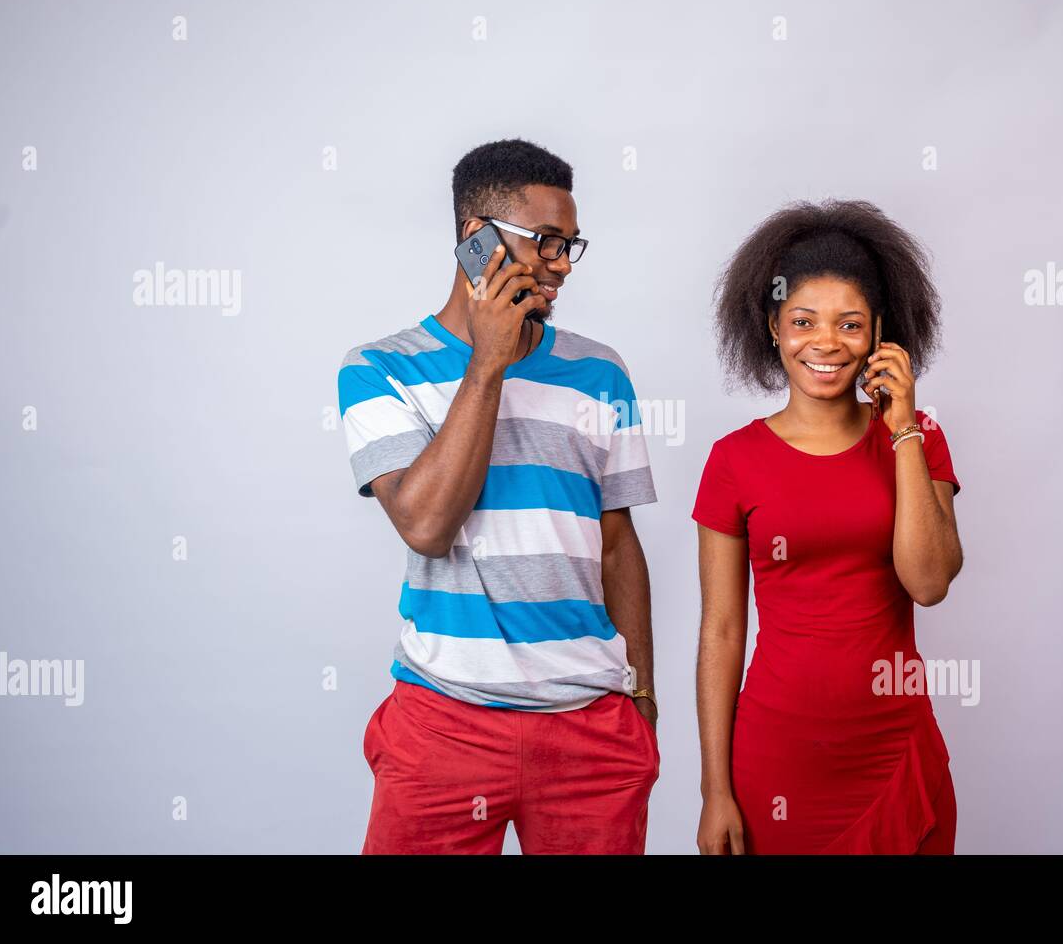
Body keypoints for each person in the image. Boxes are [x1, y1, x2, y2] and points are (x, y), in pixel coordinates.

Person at [338, 138, 659, 854]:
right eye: (544, 241)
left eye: (569, 245)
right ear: (473, 239)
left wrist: (641, 701)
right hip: (444, 722)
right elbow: (425, 523)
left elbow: (616, 544)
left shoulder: (600, 373)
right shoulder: (378, 369)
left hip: (590, 728)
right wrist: (488, 361)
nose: (560, 264)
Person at [692, 199, 963, 854]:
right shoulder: (734, 461)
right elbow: (723, 631)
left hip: (892, 753)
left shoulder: (919, 438)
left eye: (850, 324)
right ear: (773, 328)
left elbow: (927, 583)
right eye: (803, 321)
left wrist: (901, 427)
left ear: (879, 335)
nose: (825, 342)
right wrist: (714, 790)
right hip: (778, 760)